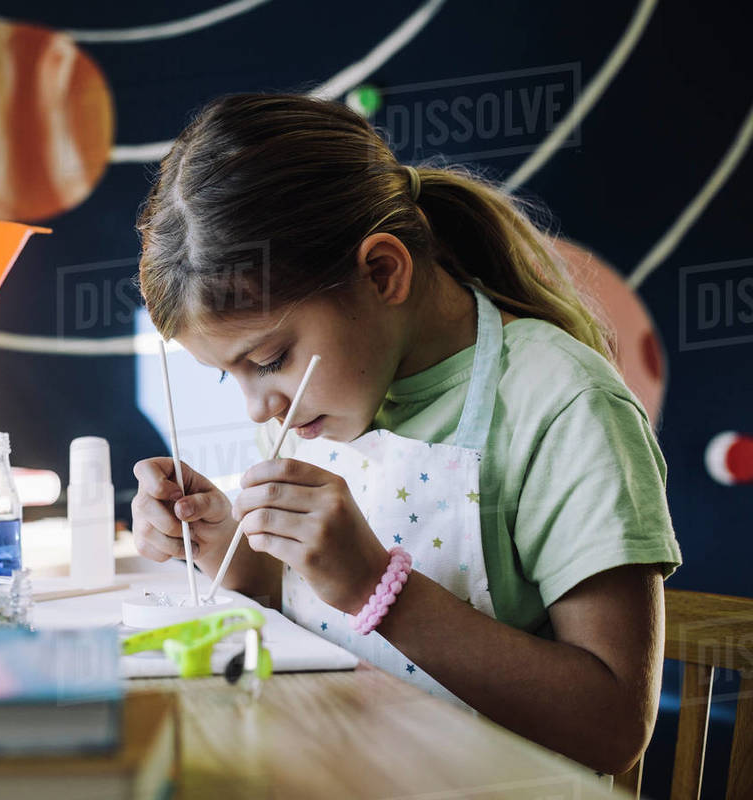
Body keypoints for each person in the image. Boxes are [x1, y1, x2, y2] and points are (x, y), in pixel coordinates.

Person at [130, 93, 682, 776]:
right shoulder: (332, 391)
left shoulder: (562, 403)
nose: (257, 409)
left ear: (383, 272)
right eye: (227, 375)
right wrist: (227, 550)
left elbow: (612, 728)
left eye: (269, 360)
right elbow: (311, 609)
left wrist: (376, 587)